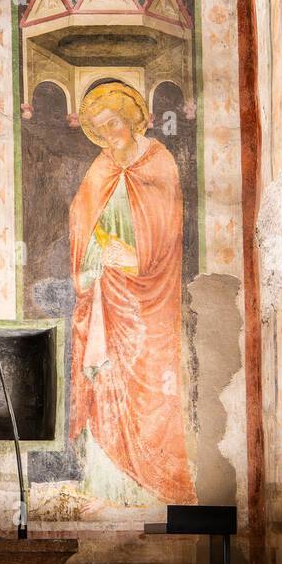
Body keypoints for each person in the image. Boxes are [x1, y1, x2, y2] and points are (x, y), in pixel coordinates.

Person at [67, 82, 195, 506]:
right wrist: (92, 259)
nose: (108, 136)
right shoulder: (100, 169)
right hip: (107, 291)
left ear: (130, 119)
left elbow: (169, 224)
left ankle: (148, 486)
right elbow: (81, 220)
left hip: (147, 293)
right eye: (100, 130)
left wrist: (135, 254)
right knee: (105, 377)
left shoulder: (158, 162)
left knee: (147, 385)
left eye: (113, 125)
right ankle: (106, 483)